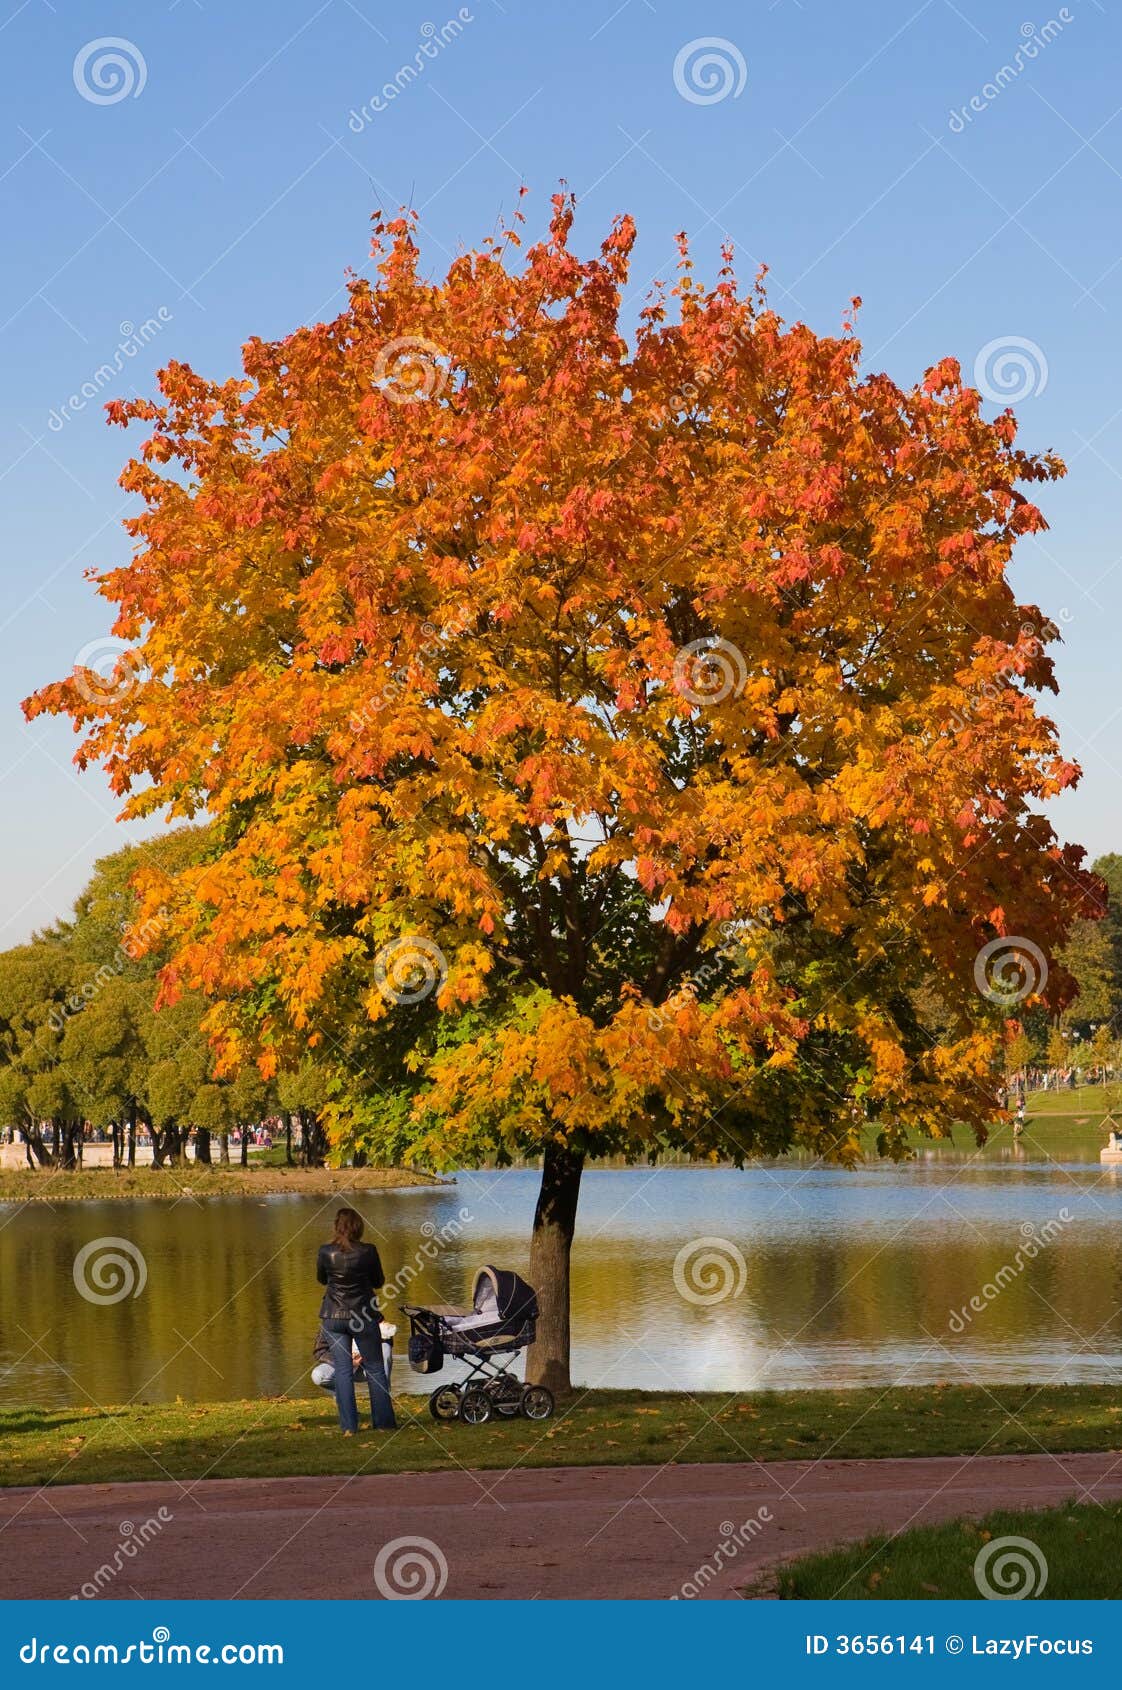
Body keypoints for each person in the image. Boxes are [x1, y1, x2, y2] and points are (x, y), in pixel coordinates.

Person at [316, 1206, 396, 1434]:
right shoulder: (369, 1251)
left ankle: (349, 1427)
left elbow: (321, 1279)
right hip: (362, 1315)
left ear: (337, 1227)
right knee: (375, 1367)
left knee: (342, 1370)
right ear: (359, 1228)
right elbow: (378, 1281)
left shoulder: (325, 1252)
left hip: (333, 1316)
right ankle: (383, 1424)